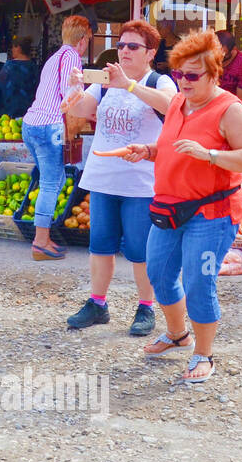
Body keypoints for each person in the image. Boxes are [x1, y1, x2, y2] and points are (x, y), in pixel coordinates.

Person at [114, 30, 242, 383]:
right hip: (171, 207)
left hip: (212, 214)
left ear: (214, 74)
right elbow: (171, 139)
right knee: (159, 273)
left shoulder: (229, 109)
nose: (183, 81)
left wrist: (211, 155)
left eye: (192, 75)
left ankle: (204, 354)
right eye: (179, 73)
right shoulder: (180, 101)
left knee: (199, 280)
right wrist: (149, 150)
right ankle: (178, 334)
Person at [62, 20, 177, 335]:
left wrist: (128, 84)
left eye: (132, 46)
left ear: (150, 52)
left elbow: (171, 107)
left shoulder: (160, 80)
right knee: (100, 245)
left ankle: (146, 307)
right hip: (103, 178)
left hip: (140, 182)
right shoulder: (105, 82)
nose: (124, 50)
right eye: (121, 45)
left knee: (139, 250)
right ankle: (97, 303)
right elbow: (82, 108)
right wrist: (73, 86)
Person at [22, 14, 93, 260]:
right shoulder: (72, 57)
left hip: (30, 124)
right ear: (83, 40)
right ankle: (40, 242)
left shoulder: (54, 57)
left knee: (51, 182)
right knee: (51, 184)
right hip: (49, 128)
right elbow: (69, 96)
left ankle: (44, 237)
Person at [0, 36, 38, 119]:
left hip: (9, 112)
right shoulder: (34, 67)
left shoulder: (9, 67)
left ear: (18, 48)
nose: (12, 50)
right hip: (30, 113)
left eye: (13, 47)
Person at [217, 31, 242, 106]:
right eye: (214, 54)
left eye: (223, 56)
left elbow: (241, 100)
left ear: (233, 49)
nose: (218, 60)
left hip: (233, 108)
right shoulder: (207, 58)